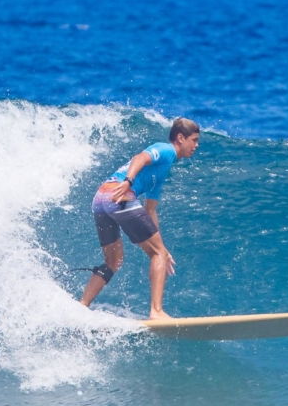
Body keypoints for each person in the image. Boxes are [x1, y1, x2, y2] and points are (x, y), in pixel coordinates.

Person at [80, 118, 201, 319]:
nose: (196, 146)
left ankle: (82, 305)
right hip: (120, 194)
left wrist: (162, 248)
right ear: (180, 138)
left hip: (101, 198)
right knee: (157, 254)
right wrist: (128, 182)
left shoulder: (161, 172)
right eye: (194, 140)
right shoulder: (166, 150)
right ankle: (157, 311)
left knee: (114, 260)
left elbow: (150, 210)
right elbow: (140, 158)